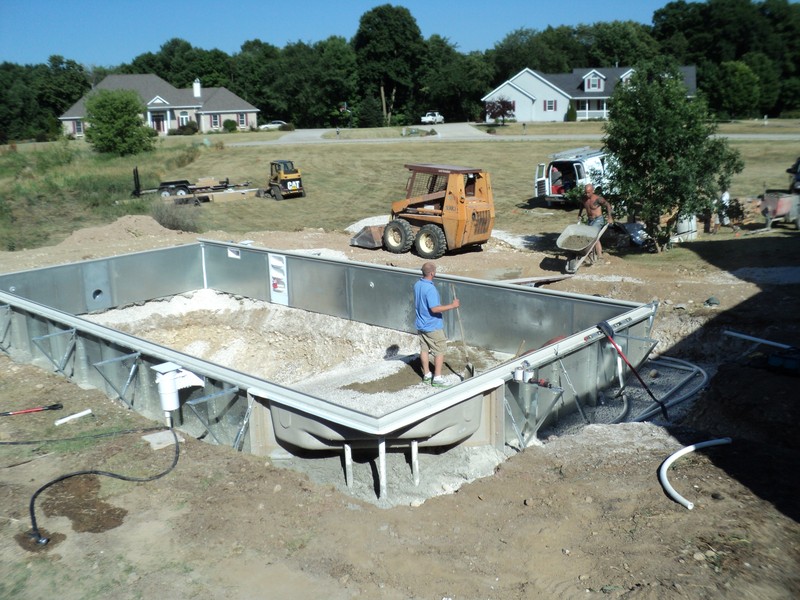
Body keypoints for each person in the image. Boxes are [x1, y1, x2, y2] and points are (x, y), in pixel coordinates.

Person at [413, 262, 460, 387]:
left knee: (424, 349)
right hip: (432, 325)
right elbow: (434, 309)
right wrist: (453, 305)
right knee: (439, 350)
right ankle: (437, 378)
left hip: (421, 324)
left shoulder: (418, 284)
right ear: (432, 273)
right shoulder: (430, 289)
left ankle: (427, 374)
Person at [577, 183, 614, 258]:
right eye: (586, 192)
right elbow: (581, 205)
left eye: (588, 192)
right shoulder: (584, 199)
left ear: (592, 191)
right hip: (590, 220)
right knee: (590, 236)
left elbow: (608, 205)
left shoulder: (598, 199)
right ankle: (591, 253)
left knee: (594, 235)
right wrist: (580, 214)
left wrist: (609, 217)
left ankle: (599, 255)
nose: (587, 194)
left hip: (598, 219)